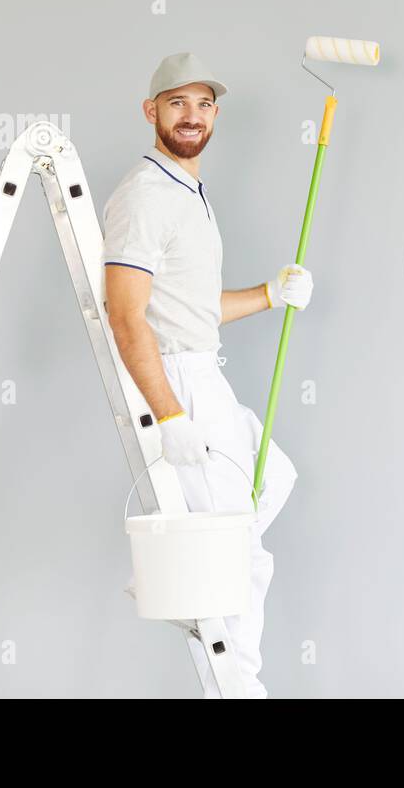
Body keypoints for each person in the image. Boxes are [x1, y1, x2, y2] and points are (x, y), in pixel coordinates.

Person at [102, 52, 311, 698]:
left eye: (203, 104)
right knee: (239, 557)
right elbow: (126, 317)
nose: (191, 116)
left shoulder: (187, 192)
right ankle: (241, 690)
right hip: (178, 381)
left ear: (215, 114)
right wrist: (169, 414)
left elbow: (190, 309)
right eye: (176, 103)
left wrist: (269, 294)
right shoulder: (143, 197)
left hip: (201, 371)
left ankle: (176, 572)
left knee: (271, 479)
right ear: (151, 112)